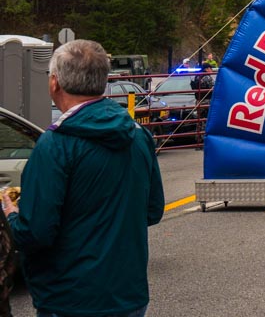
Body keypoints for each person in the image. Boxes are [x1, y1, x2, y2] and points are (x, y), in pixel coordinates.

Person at [1, 39, 164, 317]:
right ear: (103, 81)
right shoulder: (138, 136)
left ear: (55, 83)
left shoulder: (55, 144)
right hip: (129, 294)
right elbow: (153, 210)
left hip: (69, 298)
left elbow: (35, 232)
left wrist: (12, 215)